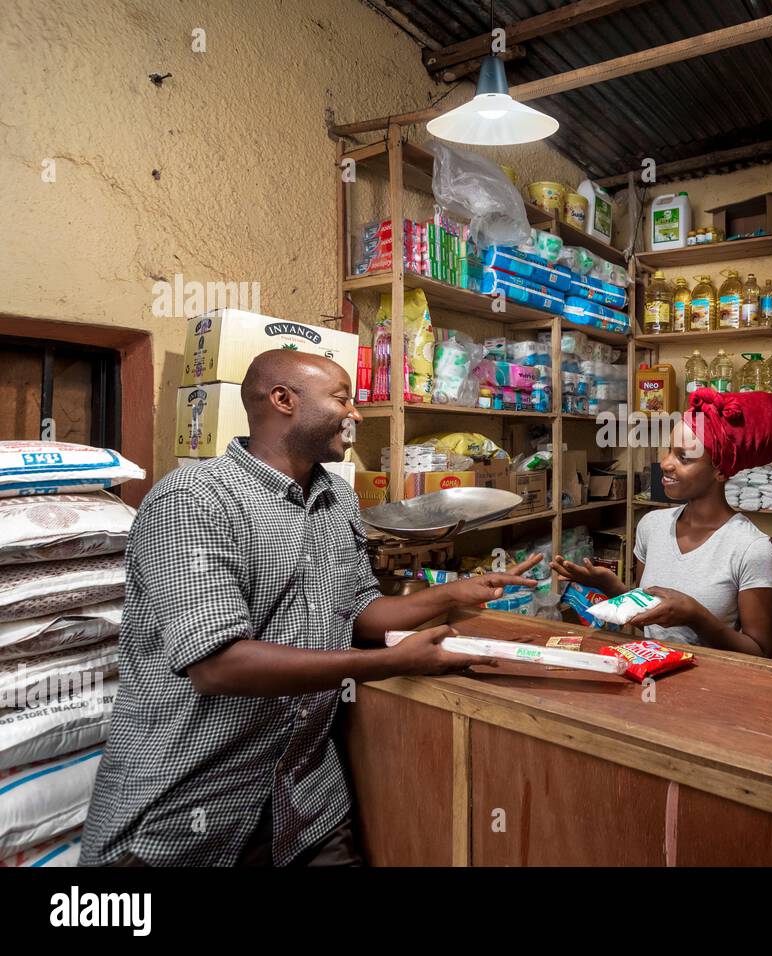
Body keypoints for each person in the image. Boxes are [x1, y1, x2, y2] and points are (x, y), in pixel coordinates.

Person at [81, 350, 540, 867]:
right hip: (192, 805)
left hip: (306, 802)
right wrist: (393, 662)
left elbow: (357, 609)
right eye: (343, 399)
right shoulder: (194, 499)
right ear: (284, 401)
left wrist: (452, 595)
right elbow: (218, 664)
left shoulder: (336, 497)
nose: (357, 414)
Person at [551, 387, 772, 657]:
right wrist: (612, 588)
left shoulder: (751, 548)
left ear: (720, 470)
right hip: (651, 676)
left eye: (684, 457)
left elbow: (762, 654)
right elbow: (649, 620)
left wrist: (696, 616)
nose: (666, 463)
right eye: (669, 451)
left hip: (711, 690)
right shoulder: (651, 526)